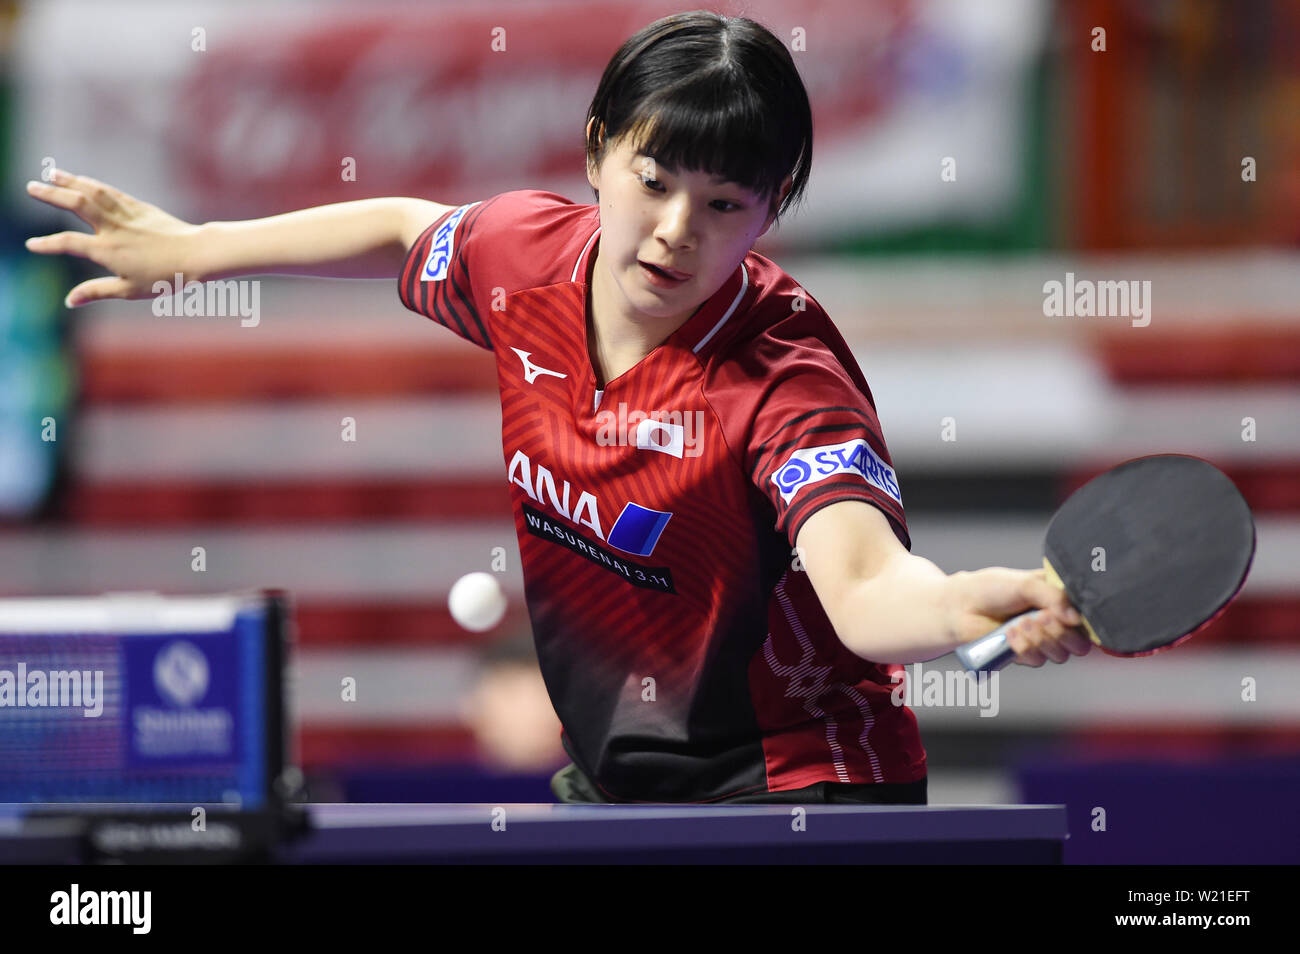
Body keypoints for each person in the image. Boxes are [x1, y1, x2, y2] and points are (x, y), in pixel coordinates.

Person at [24, 11, 1090, 806]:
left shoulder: (786, 375)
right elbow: (403, 228)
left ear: (771, 212)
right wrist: (197, 252)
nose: (677, 228)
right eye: (654, 179)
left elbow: (863, 590)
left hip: (799, 788)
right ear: (596, 153)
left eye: (725, 205)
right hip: (626, 775)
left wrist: (968, 606)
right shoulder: (526, 258)